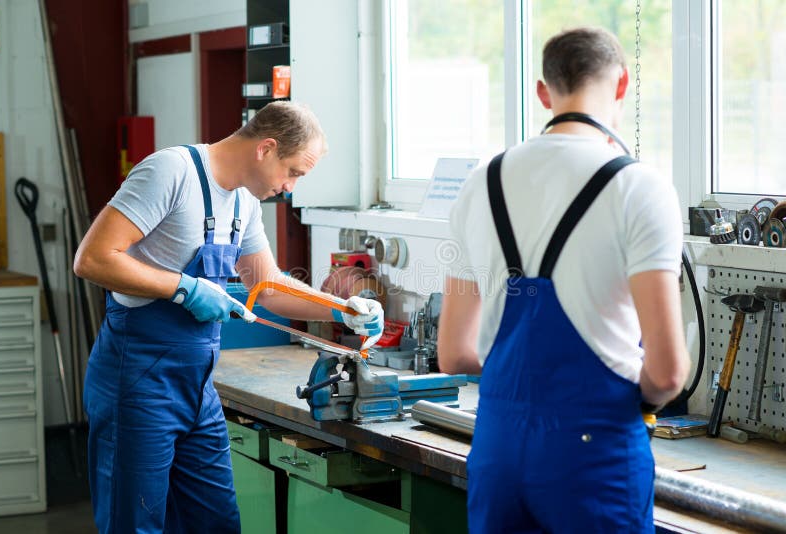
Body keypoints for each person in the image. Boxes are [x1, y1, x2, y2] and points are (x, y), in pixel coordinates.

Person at [74, 101, 383, 533]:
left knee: (216, 524)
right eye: (293, 171)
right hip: (139, 384)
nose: (290, 187)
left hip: (199, 391)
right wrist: (184, 288)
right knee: (136, 525)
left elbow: (268, 288)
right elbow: (92, 259)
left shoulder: (244, 204)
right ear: (267, 148)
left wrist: (345, 310)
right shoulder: (172, 172)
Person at [437, 27, 690, 533]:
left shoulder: (479, 183)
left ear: (543, 92)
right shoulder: (639, 187)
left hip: (498, 449)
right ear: (621, 87)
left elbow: (454, 355)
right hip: (593, 455)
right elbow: (666, 375)